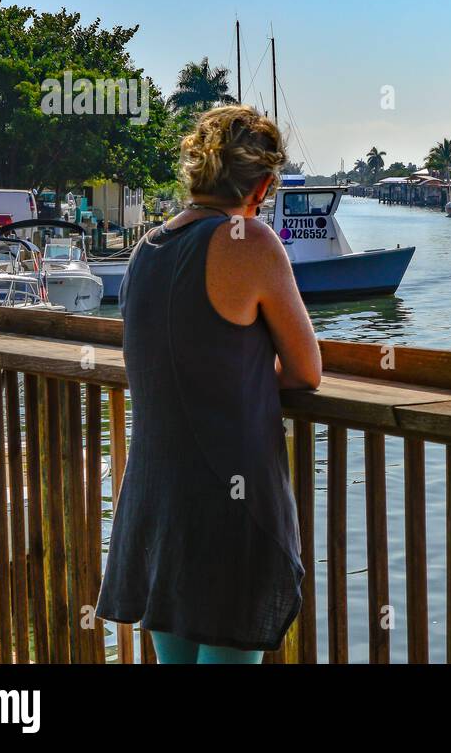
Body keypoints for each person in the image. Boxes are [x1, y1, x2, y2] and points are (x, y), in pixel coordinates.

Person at [96, 105, 323, 664]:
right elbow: (305, 369)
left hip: (156, 498)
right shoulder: (250, 241)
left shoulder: (145, 250)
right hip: (231, 502)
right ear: (263, 185)